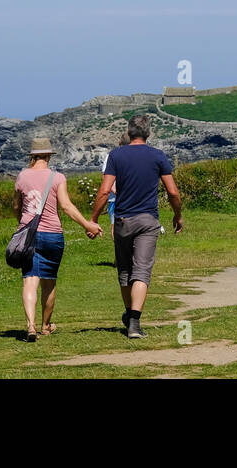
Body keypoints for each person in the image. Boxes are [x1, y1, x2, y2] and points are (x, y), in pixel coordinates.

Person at [91, 114, 182, 338]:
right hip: (148, 221)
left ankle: (129, 313)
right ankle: (134, 323)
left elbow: (104, 191)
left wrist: (92, 219)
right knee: (142, 271)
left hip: (123, 220)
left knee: (124, 270)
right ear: (148, 133)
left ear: (128, 132)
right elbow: (172, 191)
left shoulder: (116, 155)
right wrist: (178, 215)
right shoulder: (158, 156)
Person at [14, 137, 101, 341]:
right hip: (53, 235)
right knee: (49, 282)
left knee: (29, 281)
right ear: (49, 156)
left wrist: (22, 224)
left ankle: (31, 326)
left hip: (29, 235)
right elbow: (67, 207)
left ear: (33, 156)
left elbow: (17, 206)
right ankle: (45, 326)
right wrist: (88, 225)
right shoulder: (57, 177)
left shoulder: (22, 176)